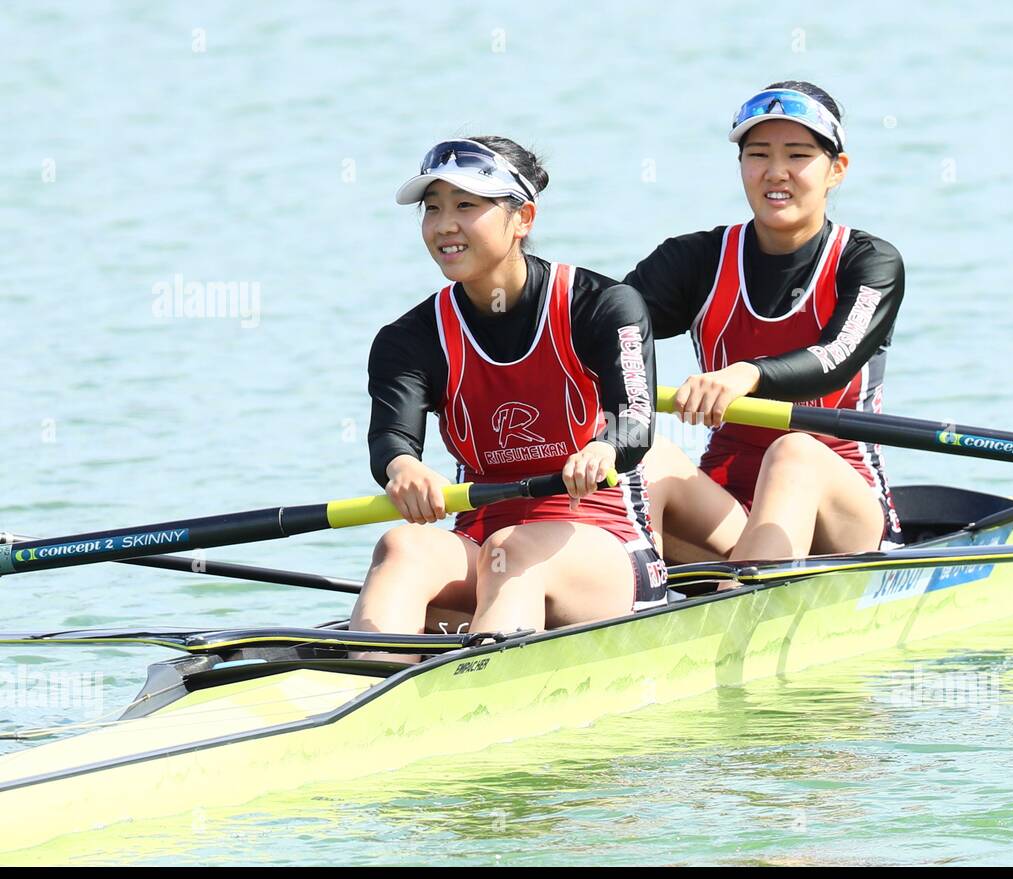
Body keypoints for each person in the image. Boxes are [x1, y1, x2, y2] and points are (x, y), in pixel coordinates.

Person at [350, 136, 665, 649]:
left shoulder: (603, 305)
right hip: (481, 541)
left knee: (511, 549)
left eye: (467, 206)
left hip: (604, 543)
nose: (445, 225)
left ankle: (476, 688)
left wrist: (605, 447)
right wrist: (402, 470)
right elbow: (391, 437)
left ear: (523, 219)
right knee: (401, 543)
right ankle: (363, 681)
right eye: (433, 209)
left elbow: (634, 418)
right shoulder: (408, 339)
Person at [625, 81, 905, 565]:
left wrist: (746, 374)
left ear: (836, 170)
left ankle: (736, 601)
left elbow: (834, 359)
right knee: (643, 454)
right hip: (730, 508)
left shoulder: (869, 263)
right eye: (758, 155)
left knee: (793, 452)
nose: (776, 173)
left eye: (797, 155)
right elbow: (599, 333)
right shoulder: (694, 259)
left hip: (843, 509)